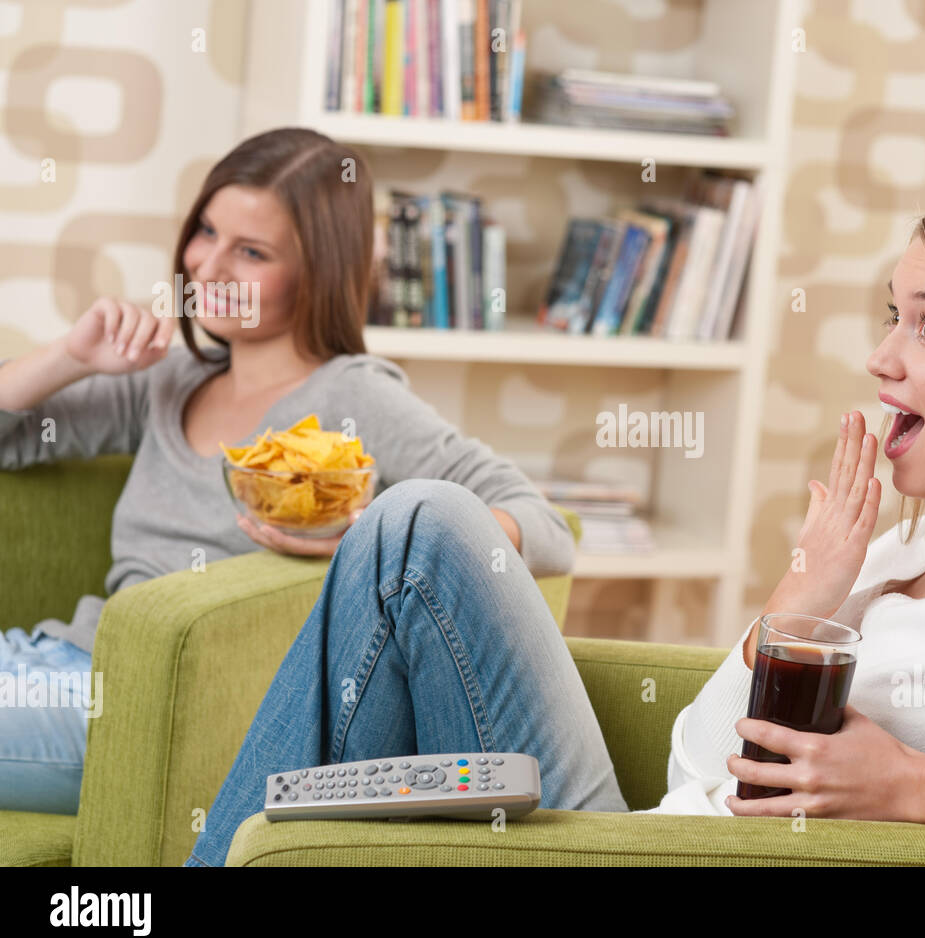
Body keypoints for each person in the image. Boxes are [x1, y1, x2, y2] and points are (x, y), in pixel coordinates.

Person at [185, 197, 925, 867]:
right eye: (890, 314)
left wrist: (904, 784)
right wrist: (802, 594)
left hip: (659, 858)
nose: (884, 356)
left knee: (424, 525)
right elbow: (694, 761)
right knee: (404, 550)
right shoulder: (903, 554)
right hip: (659, 830)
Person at [0, 127, 587, 816]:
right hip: (50, 660)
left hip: (149, 712)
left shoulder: (356, 396)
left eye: (251, 251)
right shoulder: (167, 380)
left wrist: (377, 541)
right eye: (207, 232)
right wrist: (71, 355)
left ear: (318, 271)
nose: (208, 267)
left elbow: (547, 528)